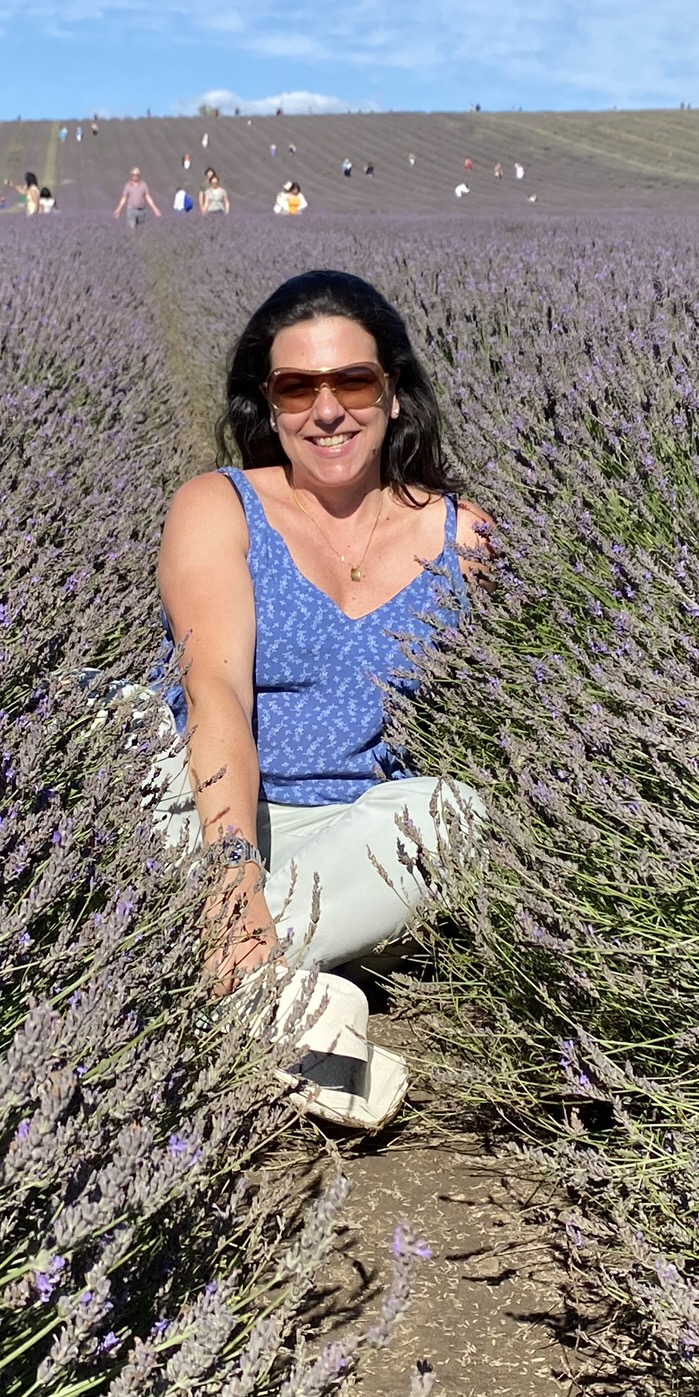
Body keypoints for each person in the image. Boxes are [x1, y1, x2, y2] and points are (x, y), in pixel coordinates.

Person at [148, 269, 491, 1125]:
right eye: (296, 386)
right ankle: (277, 1003)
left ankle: (192, 984)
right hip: (207, 799)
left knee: (458, 816)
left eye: (354, 381)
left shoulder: (466, 537)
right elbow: (215, 690)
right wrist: (235, 888)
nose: (326, 409)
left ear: (396, 394)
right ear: (268, 404)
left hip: (348, 826)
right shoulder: (218, 504)